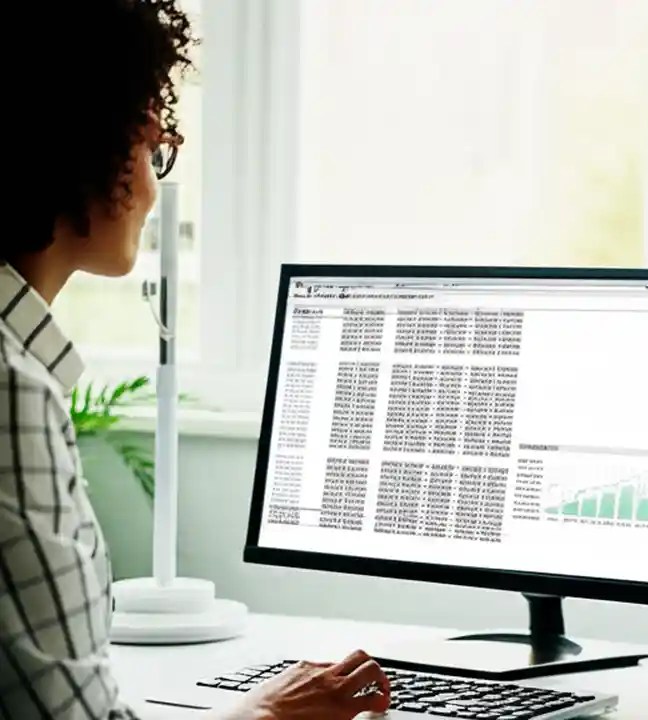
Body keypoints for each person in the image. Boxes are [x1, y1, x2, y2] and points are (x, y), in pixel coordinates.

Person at [0, 1, 390, 717]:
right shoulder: (11, 392)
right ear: (92, 147)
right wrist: (266, 712)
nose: (154, 189)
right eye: (153, 151)